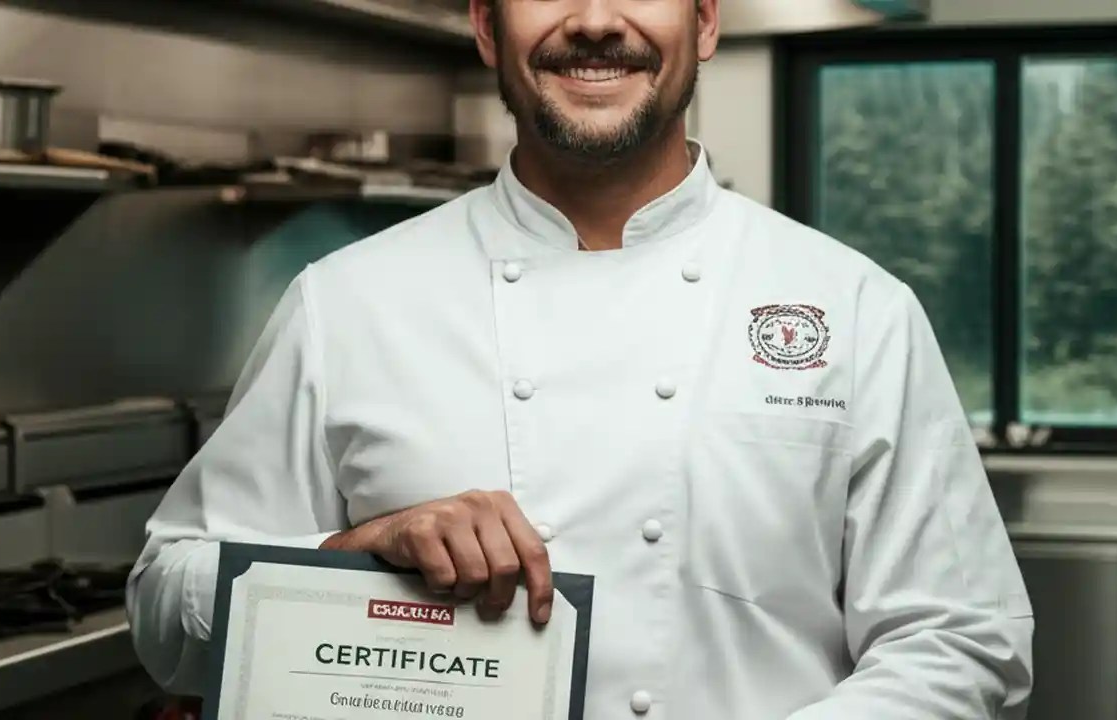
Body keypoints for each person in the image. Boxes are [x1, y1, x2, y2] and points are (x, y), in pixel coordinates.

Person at [126, 1, 1035, 717]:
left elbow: (963, 644)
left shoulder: (855, 307)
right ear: (487, 26)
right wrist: (346, 555)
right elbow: (167, 616)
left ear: (705, 21)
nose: (597, 20)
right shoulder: (345, 301)